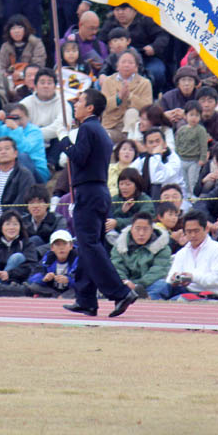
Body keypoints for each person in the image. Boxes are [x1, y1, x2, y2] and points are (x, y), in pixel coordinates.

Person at [63, 87, 137, 318]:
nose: (76, 105)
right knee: (88, 244)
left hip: (88, 191)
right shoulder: (99, 131)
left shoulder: (87, 128)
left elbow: (78, 157)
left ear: (90, 108)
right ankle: (85, 299)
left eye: (80, 102)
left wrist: (64, 141)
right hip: (98, 191)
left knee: (90, 245)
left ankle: (120, 292)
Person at [97, 3, 169, 92]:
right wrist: (109, 48)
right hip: (117, 60)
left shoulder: (145, 19)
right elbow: (100, 41)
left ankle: (152, 96)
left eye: (124, 9)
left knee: (156, 72)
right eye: (117, 10)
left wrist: (153, 47)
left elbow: (162, 36)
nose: (120, 13)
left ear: (134, 9)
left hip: (146, 58)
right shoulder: (111, 22)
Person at [111, 211, 172, 299]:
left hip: (149, 285)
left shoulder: (162, 247)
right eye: (137, 229)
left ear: (152, 230)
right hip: (126, 284)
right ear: (131, 229)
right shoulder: (120, 245)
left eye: (145, 229)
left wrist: (138, 286)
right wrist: (125, 282)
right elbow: (116, 266)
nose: (141, 233)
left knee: (162, 285)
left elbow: (159, 271)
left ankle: (147, 299)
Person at [0, 103, 48, 183]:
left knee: (22, 157)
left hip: (35, 171)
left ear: (27, 118)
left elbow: (25, 149)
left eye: (19, 118)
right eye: (13, 118)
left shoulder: (35, 131)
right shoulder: (5, 128)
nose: (16, 121)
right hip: (8, 168)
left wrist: (16, 129)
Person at [99, 51, 153, 141]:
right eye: (123, 62)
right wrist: (119, 97)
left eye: (130, 63)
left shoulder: (145, 83)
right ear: (117, 66)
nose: (126, 65)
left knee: (131, 112)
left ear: (136, 67)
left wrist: (130, 96)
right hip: (111, 126)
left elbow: (148, 108)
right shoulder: (108, 81)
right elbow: (103, 105)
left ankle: (129, 140)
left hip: (134, 127)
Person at [0, 211, 34, 296]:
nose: (11, 228)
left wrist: (9, 274)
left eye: (15, 224)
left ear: (20, 227)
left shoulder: (26, 244)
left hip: (14, 284)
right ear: (1, 227)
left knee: (17, 257)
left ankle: (4, 290)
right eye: (7, 224)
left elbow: (31, 265)